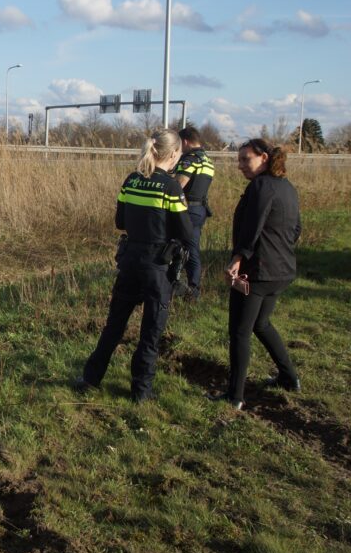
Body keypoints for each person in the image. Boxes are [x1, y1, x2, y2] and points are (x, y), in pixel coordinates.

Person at [75, 129, 193, 403]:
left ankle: (90, 379)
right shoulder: (171, 187)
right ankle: (141, 391)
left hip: (130, 261)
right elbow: (186, 233)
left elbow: (120, 222)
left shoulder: (131, 180)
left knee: (114, 325)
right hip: (157, 266)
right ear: (174, 154)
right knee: (151, 331)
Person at [209, 139, 301, 411]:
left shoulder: (260, 187)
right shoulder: (287, 187)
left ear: (263, 158)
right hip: (281, 270)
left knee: (239, 331)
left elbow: (252, 226)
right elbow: (296, 229)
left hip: (256, 272)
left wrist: (238, 259)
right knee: (261, 324)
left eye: (245, 159)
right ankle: (289, 377)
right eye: (238, 160)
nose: (240, 166)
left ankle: (235, 396)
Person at [172, 126, 215, 298]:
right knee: (192, 248)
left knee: (174, 245)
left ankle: (174, 284)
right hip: (199, 210)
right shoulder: (207, 160)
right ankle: (193, 287)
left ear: (185, 141)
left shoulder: (190, 159)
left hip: (186, 209)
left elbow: (179, 185)